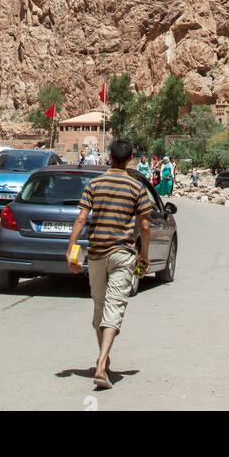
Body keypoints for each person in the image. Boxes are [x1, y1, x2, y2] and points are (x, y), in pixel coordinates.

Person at [66, 137, 152, 390]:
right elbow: (145, 225)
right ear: (130, 159)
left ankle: (102, 360)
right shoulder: (136, 187)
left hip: (96, 255)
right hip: (123, 255)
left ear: (109, 158)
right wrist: (144, 255)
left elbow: (81, 218)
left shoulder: (94, 183)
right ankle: (102, 364)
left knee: (99, 307)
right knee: (114, 308)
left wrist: (71, 250)